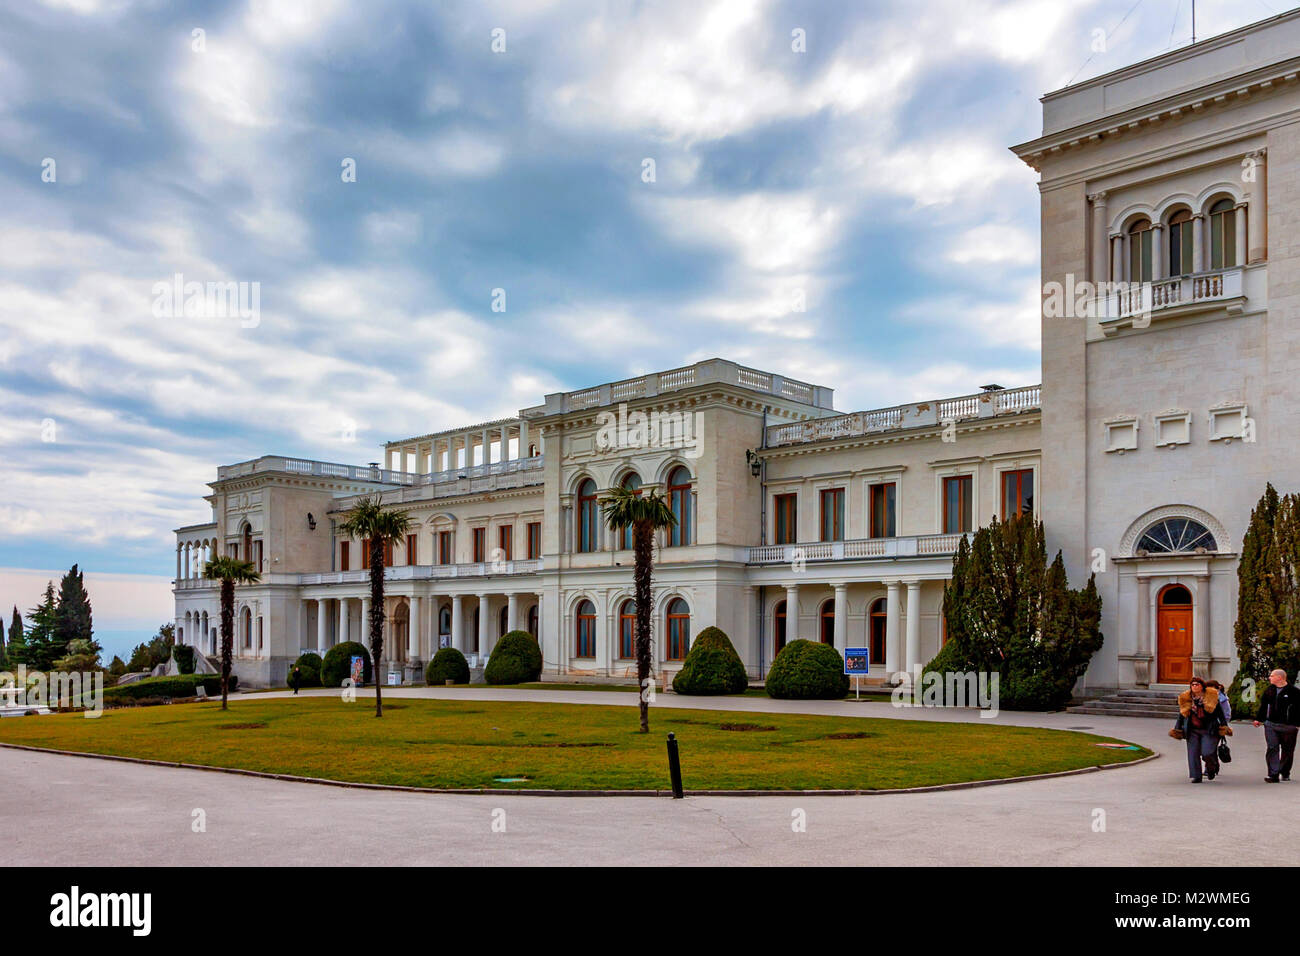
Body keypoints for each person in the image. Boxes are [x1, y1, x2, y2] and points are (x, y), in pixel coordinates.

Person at [1253, 668, 1300, 783]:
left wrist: (1297, 724)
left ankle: (1284, 772)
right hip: (1271, 725)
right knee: (1272, 747)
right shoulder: (1270, 690)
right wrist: (1259, 719)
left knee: (1287, 750)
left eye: (1272, 676)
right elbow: (1264, 705)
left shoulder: (1294, 691)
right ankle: (1273, 774)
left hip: (1289, 726)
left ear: (1280, 677)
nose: (1270, 677)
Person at [1179, 677, 1221, 783]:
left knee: (1207, 752)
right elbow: (1182, 714)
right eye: (1192, 685)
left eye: (1197, 684)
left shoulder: (1211, 697)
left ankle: (1211, 767)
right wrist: (1177, 728)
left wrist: (1224, 726)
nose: (1194, 686)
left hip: (1208, 729)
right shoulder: (1186, 698)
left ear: (1202, 686)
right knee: (1193, 753)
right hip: (1192, 729)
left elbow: (1220, 713)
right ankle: (1196, 775)